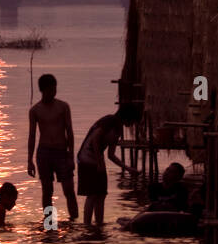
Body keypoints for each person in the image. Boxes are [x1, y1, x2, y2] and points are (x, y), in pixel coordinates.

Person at [27, 74, 79, 222]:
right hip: (44, 153)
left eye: (55, 89)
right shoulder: (35, 110)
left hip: (62, 152)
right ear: (43, 90)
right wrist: (29, 160)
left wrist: (70, 156)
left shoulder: (63, 107)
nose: (53, 92)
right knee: (47, 190)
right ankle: (50, 223)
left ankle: (74, 221)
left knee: (69, 189)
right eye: (50, 89)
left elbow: (69, 132)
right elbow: (32, 136)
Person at [76, 104, 139, 227]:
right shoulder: (109, 121)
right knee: (92, 194)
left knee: (101, 193)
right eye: (132, 120)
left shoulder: (118, 129)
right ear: (127, 117)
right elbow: (95, 138)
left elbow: (111, 154)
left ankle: (99, 224)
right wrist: (99, 161)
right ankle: (87, 225)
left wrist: (128, 169)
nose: (132, 124)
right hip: (86, 158)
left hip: (98, 159)